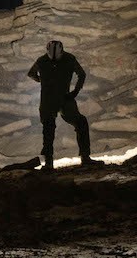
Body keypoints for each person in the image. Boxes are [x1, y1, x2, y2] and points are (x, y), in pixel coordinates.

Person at [25, 39, 90, 169]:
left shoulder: (42, 60)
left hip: (50, 99)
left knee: (48, 130)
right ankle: (85, 158)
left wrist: (41, 81)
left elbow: (31, 73)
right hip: (64, 97)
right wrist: (75, 91)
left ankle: (49, 163)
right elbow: (81, 74)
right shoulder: (69, 59)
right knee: (79, 123)